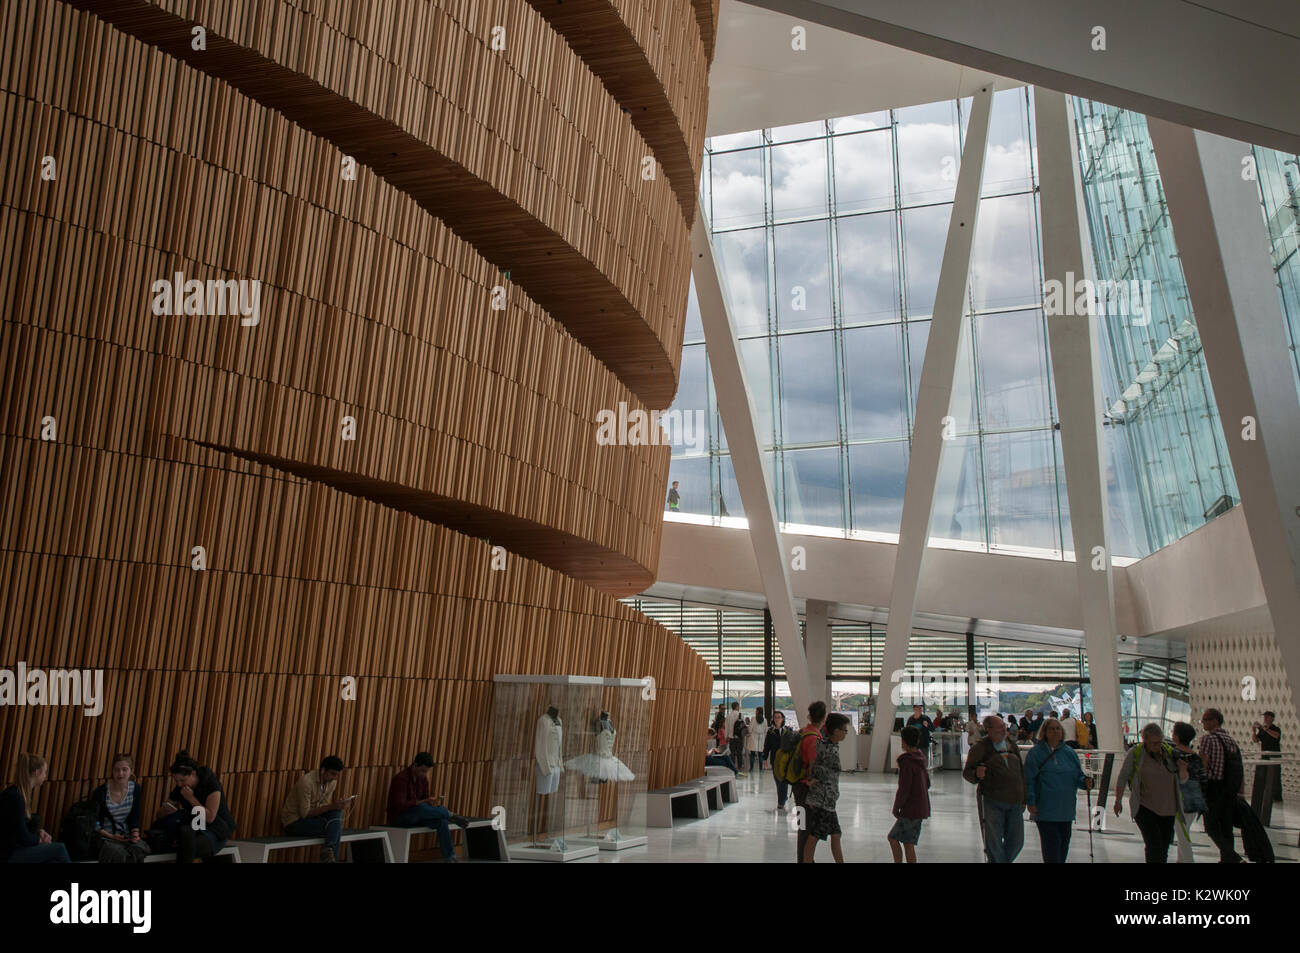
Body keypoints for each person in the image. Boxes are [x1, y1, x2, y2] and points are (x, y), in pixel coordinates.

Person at [1115, 724, 1188, 863]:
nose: (1157, 746)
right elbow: (1123, 776)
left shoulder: (1169, 753)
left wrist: (1183, 769)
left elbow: (1183, 780)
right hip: (1145, 807)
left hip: (1169, 809)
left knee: (1163, 848)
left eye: (1160, 742)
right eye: (1154, 743)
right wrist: (1118, 801)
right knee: (1154, 845)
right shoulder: (1136, 753)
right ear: (1145, 741)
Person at [1024, 718, 1093, 862]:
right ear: (1044, 732)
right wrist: (1030, 801)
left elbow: (1077, 776)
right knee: (1052, 851)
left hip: (1065, 811)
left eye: (1058, 729)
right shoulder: (1036, 754)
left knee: (1062, 850)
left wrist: (1085, 782)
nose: (1055, 732)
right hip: (1045, 811)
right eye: (1051, 729)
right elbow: (1029, 780)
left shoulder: (1069, 753)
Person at [962, 715, 1026, 863]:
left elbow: (1021, 772)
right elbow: (967, 773)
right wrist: (976, 774)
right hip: (991, 801)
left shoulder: (1011, 745)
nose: (1003, 729)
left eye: (1003, 726)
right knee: (993, 842)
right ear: (988, 730)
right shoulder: (980, 748)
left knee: (1016, 841)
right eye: (999, 727)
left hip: (1015, 801)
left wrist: (1024, 798)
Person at [155, 750, 237, 863]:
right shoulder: (180, 787)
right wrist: (165, 811)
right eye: (176, 781)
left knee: (187, 844)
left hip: (216, 829)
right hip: (194, 828)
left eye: (182, 780)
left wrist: (191, 799)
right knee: (185, 833)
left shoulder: (211, 784)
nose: (179, 784)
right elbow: (159, 814)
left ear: (193, 773)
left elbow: (210, 817)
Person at [387, 752, 468, 862]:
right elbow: (400, 805)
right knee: (421, 809)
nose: (424, 774)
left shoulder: (423, 779)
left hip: (419, 815)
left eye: (426, 771)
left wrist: (430, 802)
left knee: (441, 821)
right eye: (423, 770)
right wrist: (424, 801)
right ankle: (450, 814)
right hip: (401, 817)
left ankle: (450, 857)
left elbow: (424, 800)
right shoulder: (401, 779)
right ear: (415, 765)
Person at [1, 754, 68, 863]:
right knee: (59, 848)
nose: (45, 776)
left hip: (13, 849)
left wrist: (39, 833)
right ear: (36, 772)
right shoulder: (15, 797)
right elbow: (21, 836)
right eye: (45, 772)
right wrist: (40, 840)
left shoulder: (17, 793)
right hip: (8, 854)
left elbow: (17, 828)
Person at [282, 755, 349, 862]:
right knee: (335, 827)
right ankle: (329, 856)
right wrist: (331, 806)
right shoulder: (306, 782)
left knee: (336, 816)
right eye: (332, 774)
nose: (334, 778)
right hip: (294, 823)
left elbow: (324, 806)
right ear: (323, 770)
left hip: (313, 820)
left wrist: (336, 806)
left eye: (337, 775)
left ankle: (328, 851)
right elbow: (305, 814)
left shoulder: (332, 783)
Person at [1198, 709, 1244, 863]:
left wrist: (1200, 788)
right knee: (1226, 827)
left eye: (1205, 719)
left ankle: (1234, 859)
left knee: (1210, 826)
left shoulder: (1208, 739)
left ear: (1215, 721)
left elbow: (1203, 766)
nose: (1203, 722)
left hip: (1213, 788)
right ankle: (1227, 860)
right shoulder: (1230, 740)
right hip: (1229, 789)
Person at [803, 713, 850, 863]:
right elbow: (818, 769)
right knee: (815, 836)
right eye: (844, 730)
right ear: (836, 730)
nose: (845, 733)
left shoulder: (825, 745)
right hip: (822, 800)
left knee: (835, 834)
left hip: (827, 800)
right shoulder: (829, 749)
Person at [91, 753, 149, 862]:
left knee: (139, 849)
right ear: (112, 771)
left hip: (125, 835)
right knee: (119, 854)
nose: (120, 773)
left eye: (124, 769)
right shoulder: (101, 792)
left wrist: (135, 834)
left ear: (131, 771)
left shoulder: (135, 788)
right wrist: (112, 836)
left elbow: (135, 817)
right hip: (106, 836)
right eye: (117, 770)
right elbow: (95, 823)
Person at [890, 724, 931, 863]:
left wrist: (896, 806)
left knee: (893, 838)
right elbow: (928, 783)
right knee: (908, 843)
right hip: (921, 808)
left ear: (904, 741)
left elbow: (904, 789)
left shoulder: (906, 762)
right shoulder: (920, 759)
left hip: (910, 810)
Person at [792, 700, 827, 864]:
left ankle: (804, 859)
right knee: (807, 828)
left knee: (803, 827)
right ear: (824, 718)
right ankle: (805, 860)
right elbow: (814, 767)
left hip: (798, 786)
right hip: (806, 789)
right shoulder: (814, 738)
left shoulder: (804, 732)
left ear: (809, 716)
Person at [1171, 721, 1208, 864]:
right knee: (1183, 831)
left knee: (1182, 835)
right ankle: (1182, 860)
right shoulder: (1196, 757)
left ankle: (1187, 860)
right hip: (1195, 800)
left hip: (1180, 800)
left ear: (1177, 736)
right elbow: (1203, 779)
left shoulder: (1174, 754)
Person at [764, 710, 793, 810]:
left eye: (779, 717)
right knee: (777, 780)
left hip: (785, 760)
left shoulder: (788, 730)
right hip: (775, 760)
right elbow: (767, 745)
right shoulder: (771, 732)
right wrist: (764, 758)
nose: (777, 719)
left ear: (783, 718)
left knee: (783, 780)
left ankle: (781, 801)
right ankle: (782, 797)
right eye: (775, 717)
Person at [1251, 711, 1283, 802]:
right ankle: (1266, 796)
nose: (1265, 718)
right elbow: (1256, 740)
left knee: (1275, 777)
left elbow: (1276, 736)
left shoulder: (1276, 729)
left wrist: (1265, 729)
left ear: (1272, 718)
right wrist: (1253, 731)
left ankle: (1276, 797)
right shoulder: (1262, 730)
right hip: (1264, 755)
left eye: (1267, 716)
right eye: (1264, 716)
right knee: (1264, 776)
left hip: (1274, 756)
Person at [746, 707, 768, 774]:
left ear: (758, 711)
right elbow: (766, 730)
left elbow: (750, 728)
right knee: (760, 754)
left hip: (754, 736)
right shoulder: (765, 720)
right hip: (761, 737)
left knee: (752, 754)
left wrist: (749, 733)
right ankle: (761, 768)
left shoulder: (753, 719)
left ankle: (751, 768)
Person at [729, 711, 748, 777]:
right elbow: (744, 727)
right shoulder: (741, 715)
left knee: (732, 752)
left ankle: (732, 765)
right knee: (739, 752)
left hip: (732, 737)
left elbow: (727, 727)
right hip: (740, 738)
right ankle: (740, 766)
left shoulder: (729, 716)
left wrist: (727, 736)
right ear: (737, 707)